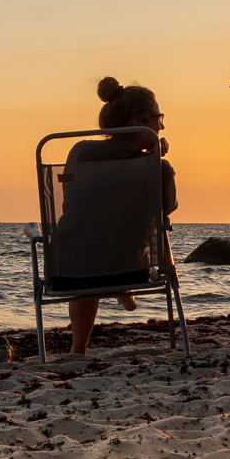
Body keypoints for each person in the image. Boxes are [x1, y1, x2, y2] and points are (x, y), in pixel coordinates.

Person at [57, 77, 175, 356]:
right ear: (138, 123)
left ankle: (77, 350)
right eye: (158, 118)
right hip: (128, 269)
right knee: (117, 251)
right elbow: (166, 209)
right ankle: (122, 289)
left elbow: (71, 198)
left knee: (87, 261)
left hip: (69, 269)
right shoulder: (158, 168)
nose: (162, 126)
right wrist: (155, 161)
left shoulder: (79, 151)